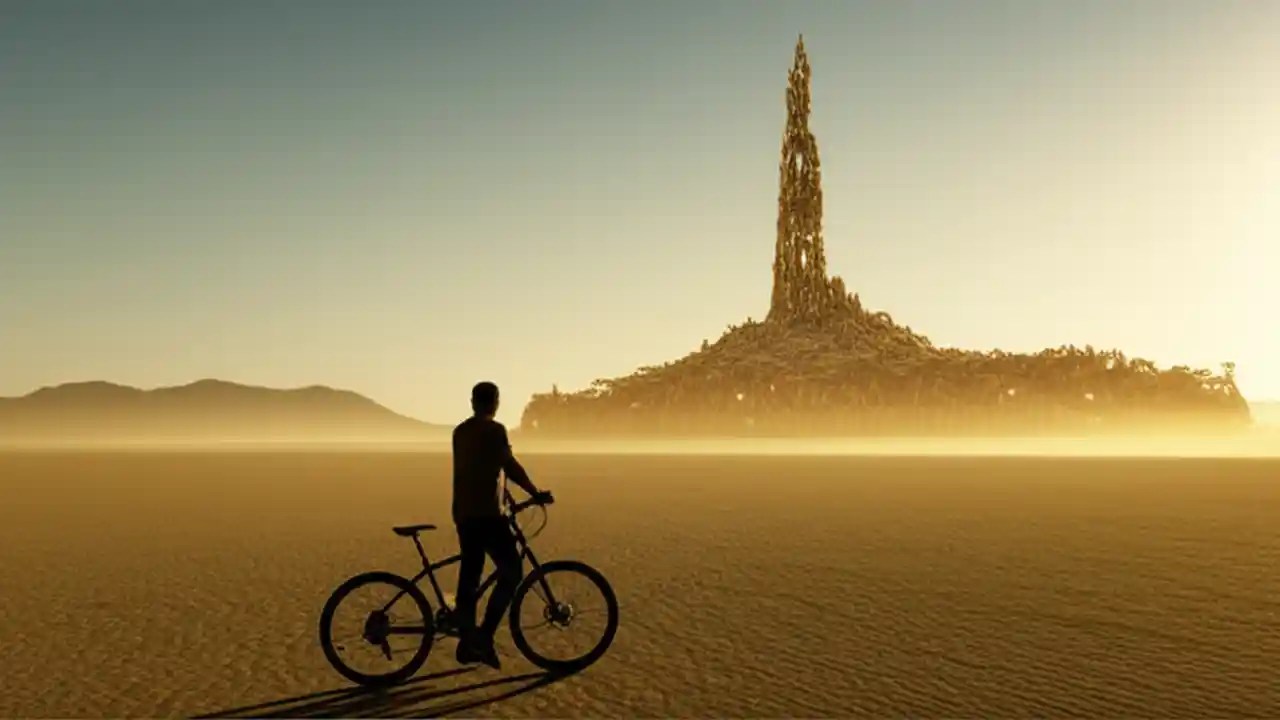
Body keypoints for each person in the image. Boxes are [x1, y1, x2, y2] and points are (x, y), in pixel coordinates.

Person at [451, 381, 552, 669]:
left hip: (464, 514)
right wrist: (534, 493)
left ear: (473, 402)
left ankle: (467, 637)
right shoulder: (494, 430)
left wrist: (504, 494)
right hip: (487, 515)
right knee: (512, 572)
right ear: (495, 402)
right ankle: (483, 636)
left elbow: (479, 470)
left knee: (470, 574)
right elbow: (508, 465)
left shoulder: (461, 431)